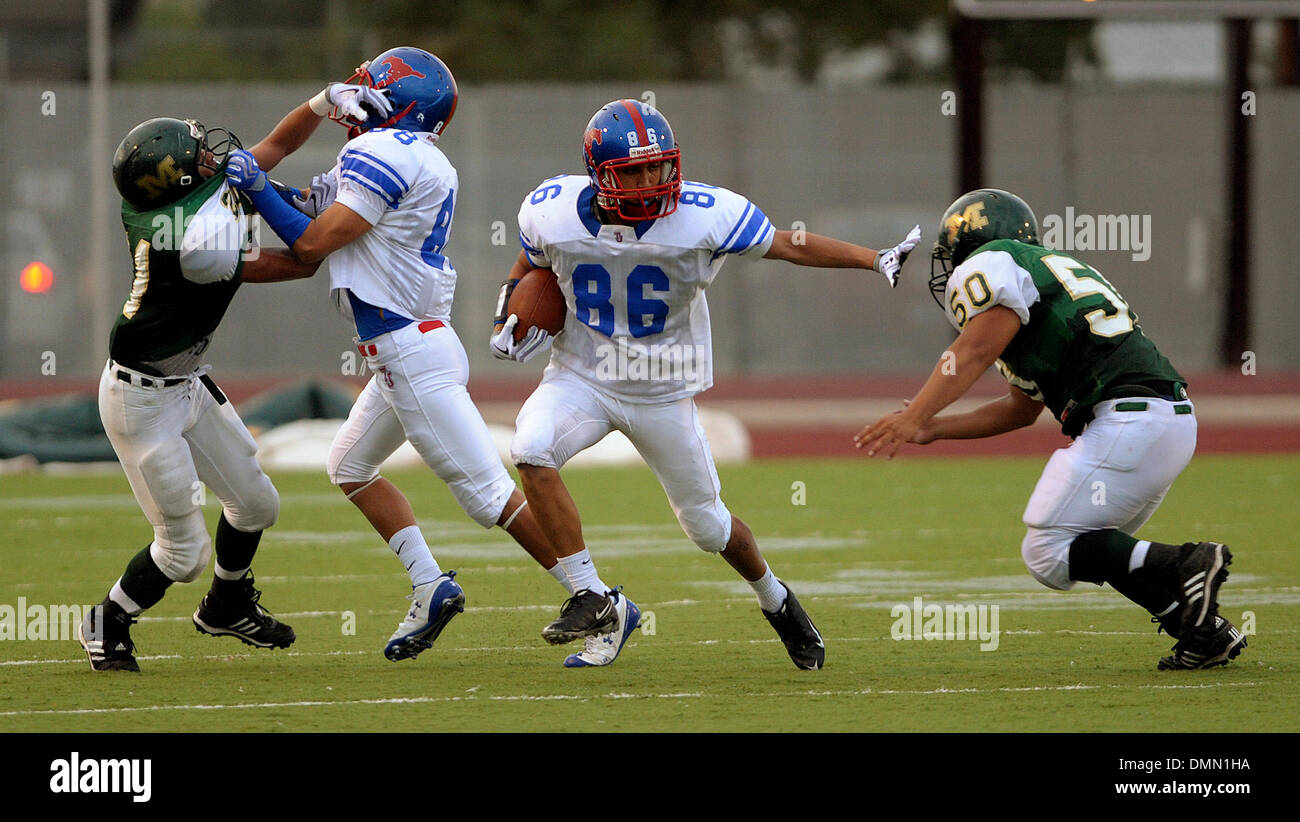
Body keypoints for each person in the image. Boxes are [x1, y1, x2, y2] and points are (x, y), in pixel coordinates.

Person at [491, 98, 921, 669]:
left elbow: (789, 244)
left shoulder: (706, 213)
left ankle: (776, 599)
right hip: (582, 376)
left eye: (657, 167)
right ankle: (594, 597)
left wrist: (874, 260)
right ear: (598, 174)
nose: (650, 181)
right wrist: (507, 314)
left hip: (662, 389)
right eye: (633, 171)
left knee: (708, 527)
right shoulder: (551, 210)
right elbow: (531, 264)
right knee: (530, 449)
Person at [224, 47, 567, 662]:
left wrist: (251, 185)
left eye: (369, 86)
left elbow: (311, 242)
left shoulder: (381, 152)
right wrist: (267, 176)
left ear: (400, 102)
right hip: (409, 344)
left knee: (487, 495)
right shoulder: (410, 155)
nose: (357, 96)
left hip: (410, 346)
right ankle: (431, 584)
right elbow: (310, 208)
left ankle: (592, 593)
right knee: (350, 466)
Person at [854, 188, 1246, 671]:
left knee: (1046, 550)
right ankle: (1202, 632)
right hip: (1160, 421)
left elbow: (973, 350)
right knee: (1088, 542)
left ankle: (1187, 562)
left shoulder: (995, 261)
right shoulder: (1042, 275)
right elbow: (1021, 409)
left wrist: (914, 413)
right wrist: (934, 430)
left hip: (1128, 420)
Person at [79, 107, 350, 671]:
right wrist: (332, 236)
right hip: (142, 400)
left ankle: (226, 605)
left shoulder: (180, 208)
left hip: (185, 382)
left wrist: (322, 103)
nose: (212, 155)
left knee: (255, 504)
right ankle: (107, 619)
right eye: (198, 154)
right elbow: (297, 264)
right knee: (183, 554)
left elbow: (272, 146)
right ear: (179, 177)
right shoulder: (196, 247)